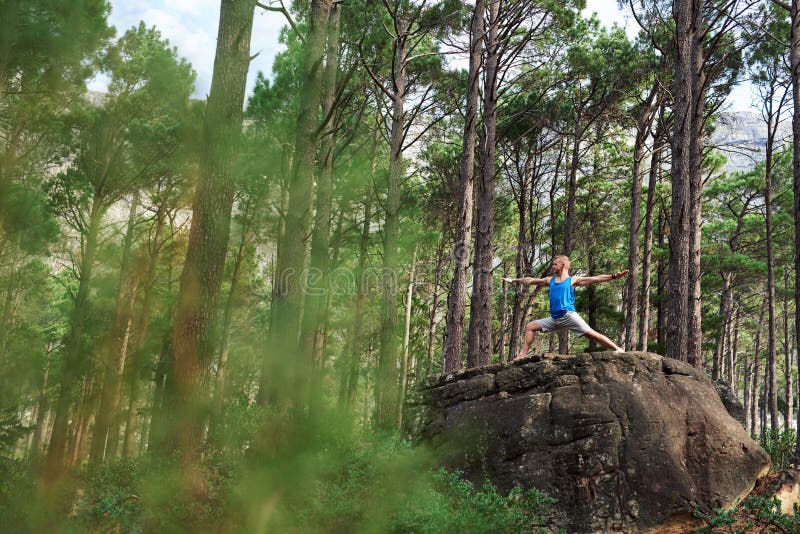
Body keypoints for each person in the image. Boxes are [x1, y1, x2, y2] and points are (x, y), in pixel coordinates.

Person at [502, 255, 628, 360]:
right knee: (530, 326)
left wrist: (614, 276)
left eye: (555, 264)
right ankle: (522, 355)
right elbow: (531, 280)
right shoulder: (549, 280)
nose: (553, 266)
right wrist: (514, 280)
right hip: (554, 319)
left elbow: (595, 279)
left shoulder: (573, 280)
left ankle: (617, 349)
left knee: (592, 334)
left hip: (569, 316)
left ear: (562, 265)